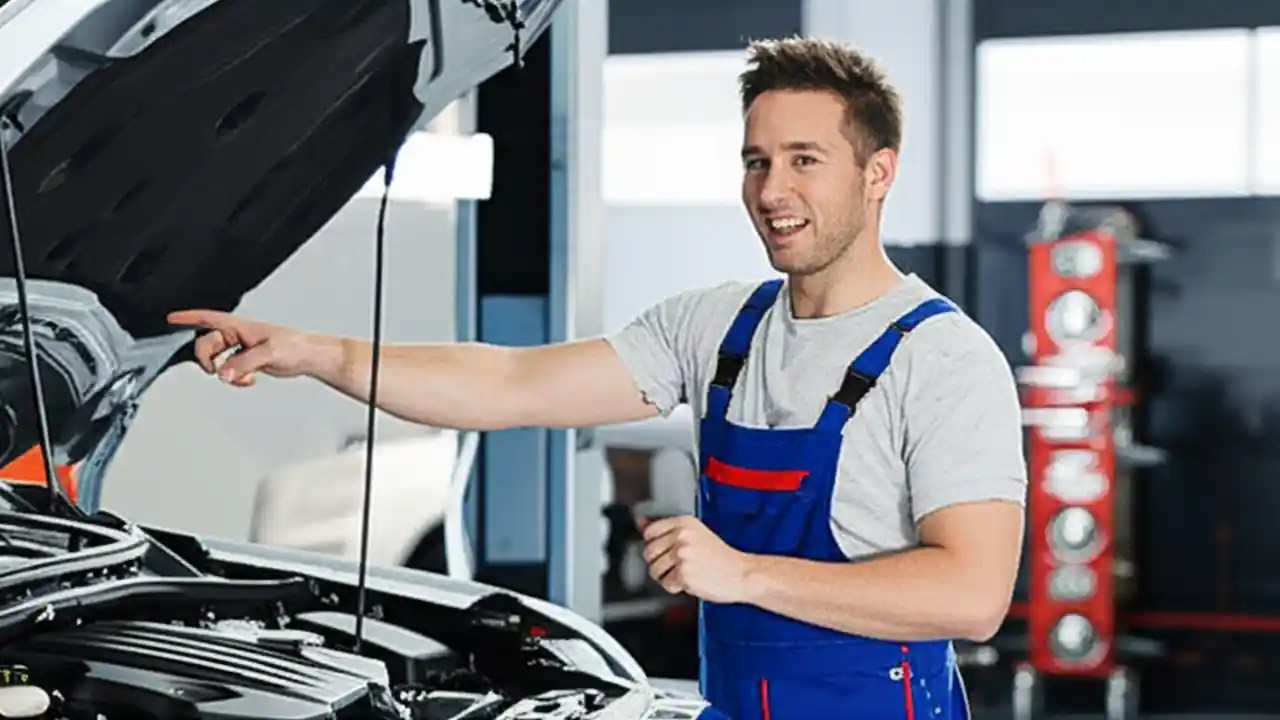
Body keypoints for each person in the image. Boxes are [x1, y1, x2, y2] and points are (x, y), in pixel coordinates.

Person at [169, 36, 1025, 720]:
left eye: (806, 159)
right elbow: (507, 385)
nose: (772, 190)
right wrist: (317, 353)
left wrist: (746, 575)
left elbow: (973, 594)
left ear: (878, 173)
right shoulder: (718, 327)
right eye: (756, 160)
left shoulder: (942, 359)